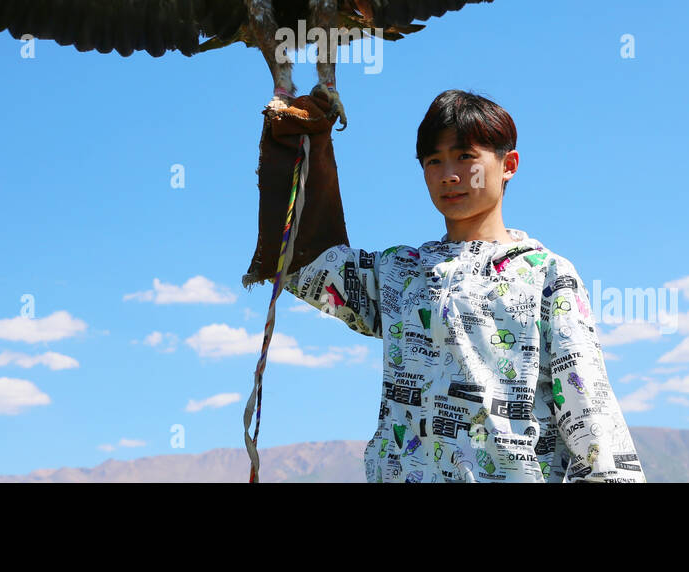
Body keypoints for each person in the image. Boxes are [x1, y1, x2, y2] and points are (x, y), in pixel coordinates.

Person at [246, 87, 646, 483]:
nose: (449, 175)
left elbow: (590, 415)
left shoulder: (546, 275)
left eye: (466, 156)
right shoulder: (400, 273)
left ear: (509, 164)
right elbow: (305, 263)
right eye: (433, 160)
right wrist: (304, 145)